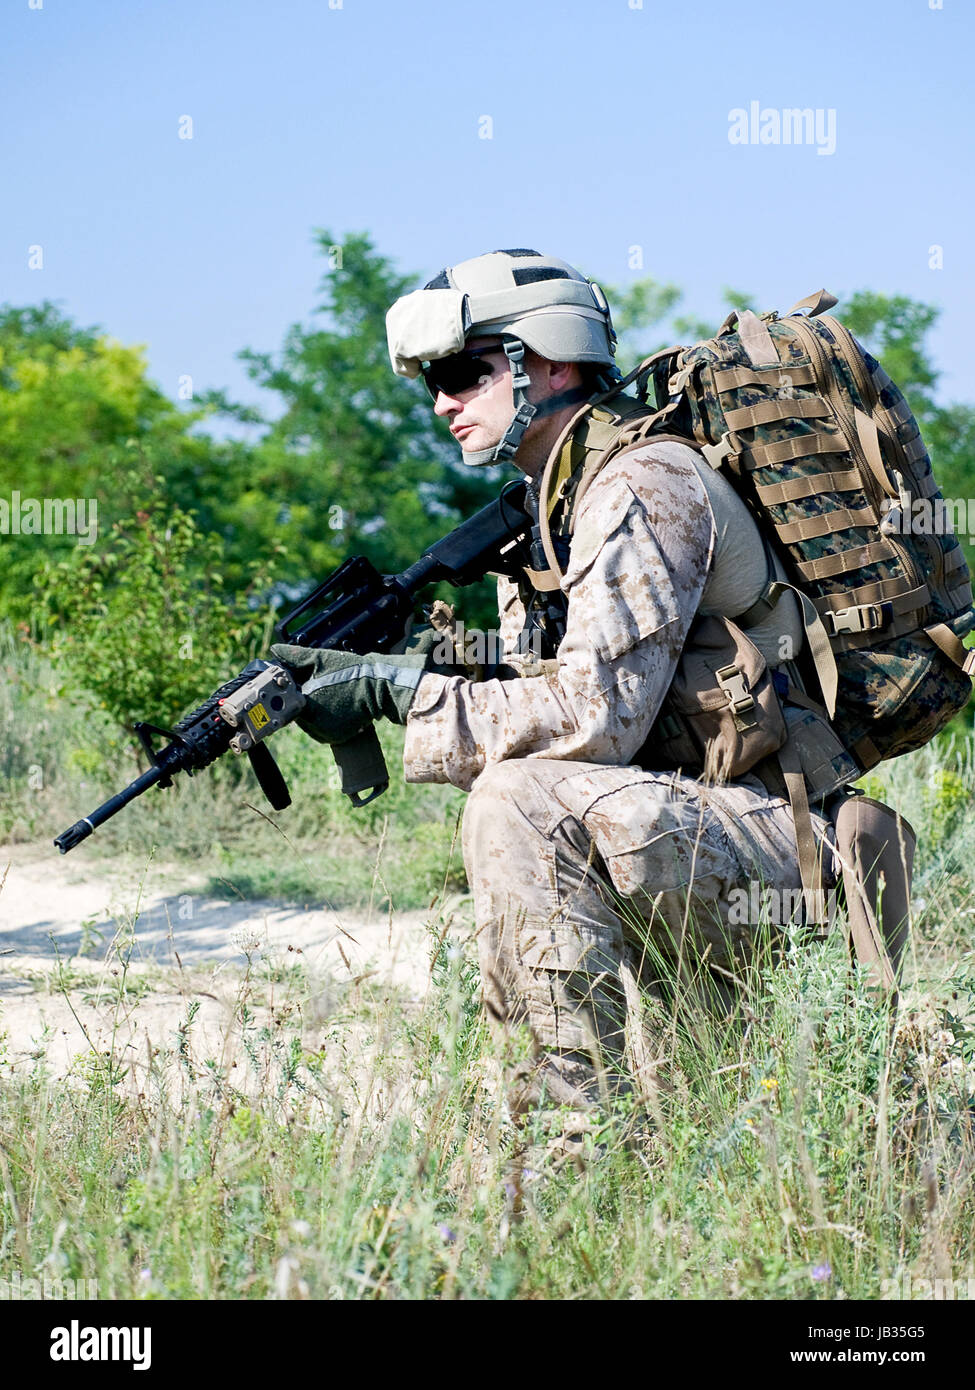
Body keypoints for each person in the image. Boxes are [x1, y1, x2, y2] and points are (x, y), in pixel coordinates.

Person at [269, 249, 835, 1163]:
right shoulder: (548, 508)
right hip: (704, 834)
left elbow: (590, 722)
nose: (444, 402)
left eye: (462, 373)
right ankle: (617, 1124)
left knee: (515, 799)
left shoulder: (640, 484)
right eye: (434, 386)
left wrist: (400, 694)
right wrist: (403, 682)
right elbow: (549, 701)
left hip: (797, 849)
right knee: (732, 1117)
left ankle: (573, 1146)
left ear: (550, 363)